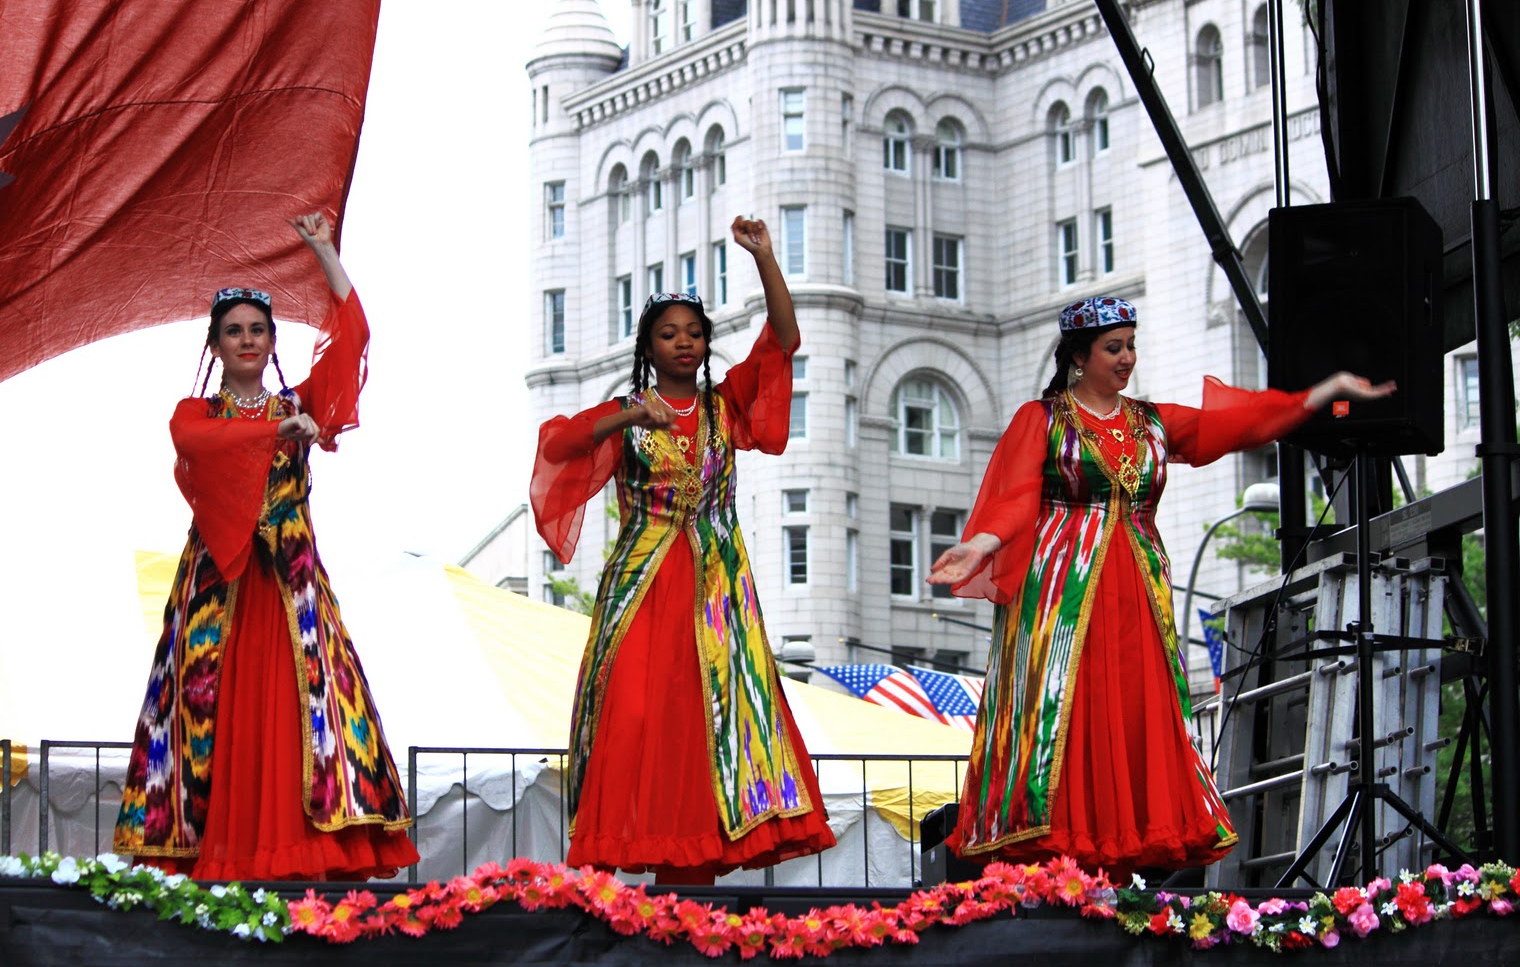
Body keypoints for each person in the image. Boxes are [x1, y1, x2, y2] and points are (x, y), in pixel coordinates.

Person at [926, 296, 1394, 875]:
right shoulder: (1043, 420)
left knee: (1133, 710)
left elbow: (1235, 423)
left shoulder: (1150, 422)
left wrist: (1323, 393)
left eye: (1130, 346)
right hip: (1065, 595)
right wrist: (982, 544)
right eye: (1113, 348)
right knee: (1073, 712)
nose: (1127, 358)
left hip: (1139, 593)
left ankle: (1121, 856)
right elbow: (1018, 498)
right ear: (1079, 356)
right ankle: (1064, 853)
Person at [531, 216, 835, 886]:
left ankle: (696, 866)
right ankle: (637, 854)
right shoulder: (630, 414)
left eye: (694, 333)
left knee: (710, 717)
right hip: (644, 581)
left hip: (718, 585)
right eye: (669, 334)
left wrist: (764, 259)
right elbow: (557, 448)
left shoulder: (725, 407)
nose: (684, 343)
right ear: (647, 345)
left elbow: (785, 338)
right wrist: (628, 416)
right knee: (640, 714)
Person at [114, 213, 417, 881]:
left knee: (299, 715)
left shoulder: (298, 403)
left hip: (293, 588)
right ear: (216, 346)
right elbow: (198, 448)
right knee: (213, 715)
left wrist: (324, 253)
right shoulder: (196, 415)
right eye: (234, 332)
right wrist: (278, 434)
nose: (247, 340)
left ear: (272, 340)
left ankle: (293, 850)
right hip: (218, 587)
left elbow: (353, 339)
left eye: (257, 330)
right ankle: (221, 851)